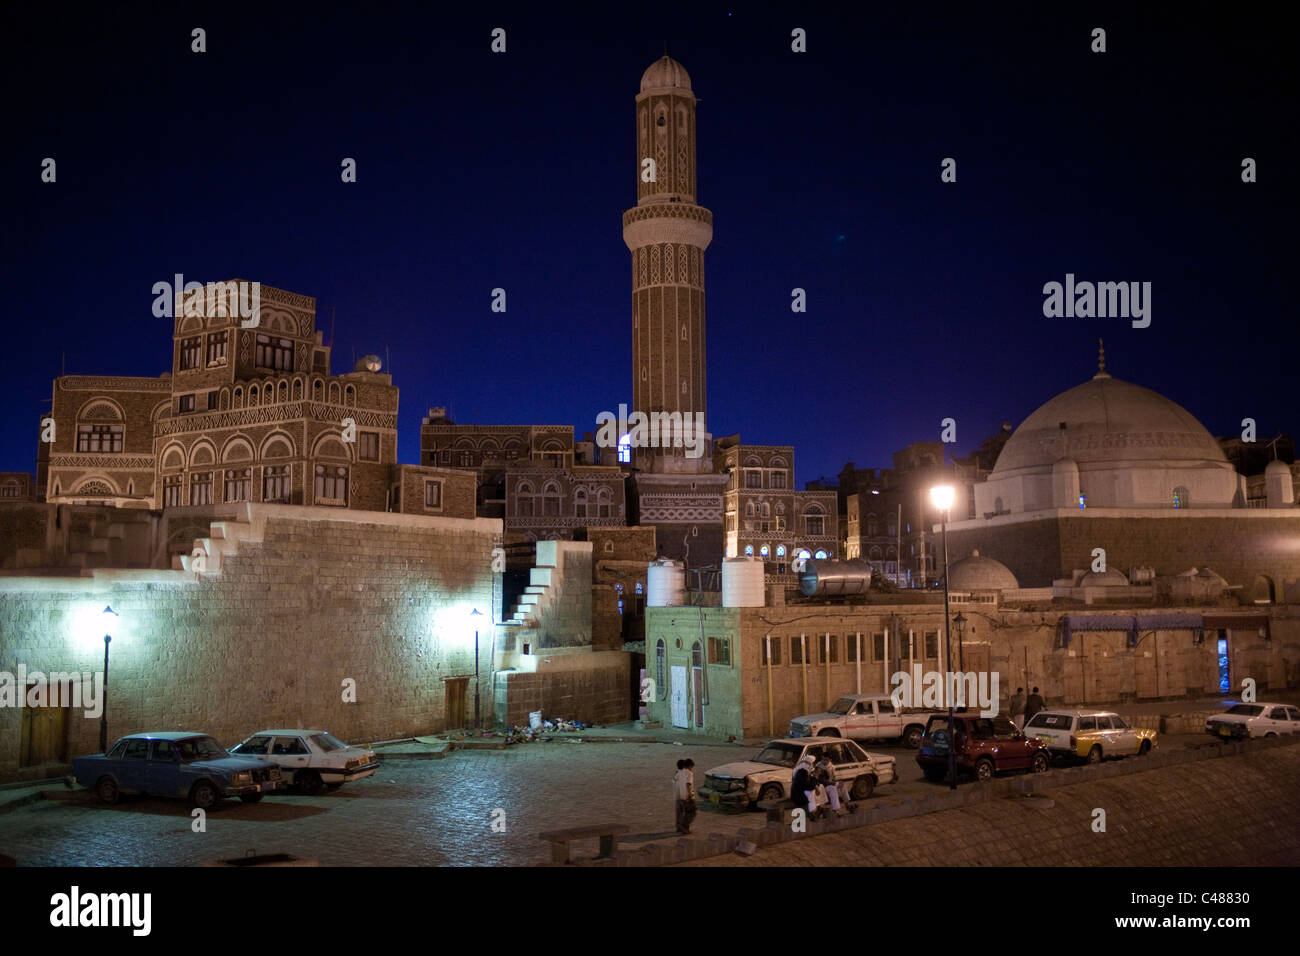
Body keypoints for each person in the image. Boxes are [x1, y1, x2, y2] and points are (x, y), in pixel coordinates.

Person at [791, 753, 819, 817]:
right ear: (809, 763)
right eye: (813, 763)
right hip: (799, 796)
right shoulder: (802, 772)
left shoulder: (804, 771)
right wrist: (815, 777)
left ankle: (816, 810)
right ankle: (812, 812)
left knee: (819, 789)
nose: (813, 765)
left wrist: (816, 785)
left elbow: (810, 784)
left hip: (800, 794)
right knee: (811, 792)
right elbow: (809, 787)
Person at [673, 758, 697, 834]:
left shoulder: (678, 773)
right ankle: (684, 826)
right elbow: (688, 784)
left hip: (677, 796)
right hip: (686, 796)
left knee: (679, 812)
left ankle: (678, 827)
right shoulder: (689, 773)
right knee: (691, 812)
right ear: (690, 766)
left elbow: (674, 781)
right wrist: (690, 795)